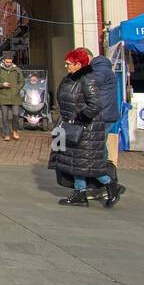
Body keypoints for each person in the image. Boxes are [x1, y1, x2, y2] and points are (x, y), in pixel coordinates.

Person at [51, 49, 121, 207]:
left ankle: (111, 185)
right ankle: (80, 192)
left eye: (69, 63)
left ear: (78, 64)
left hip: (86, 126)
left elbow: (94, 104)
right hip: (71, 124)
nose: (66, 65)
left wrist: (80, 118)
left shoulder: (87, 79)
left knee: (87, 163)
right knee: (75, 160)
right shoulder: (72, 79)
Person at [0, 53, 25, 141]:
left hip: (15, 96)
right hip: (3, 96)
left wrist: (17, 89)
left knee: (16, 114)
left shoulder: (17, 70)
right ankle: (7, 134)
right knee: (5, 116)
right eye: (7, 62)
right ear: (3, 61)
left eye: (10, 62)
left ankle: (15, 130)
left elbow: (22, 82)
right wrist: (2, 84)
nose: (8, 64)